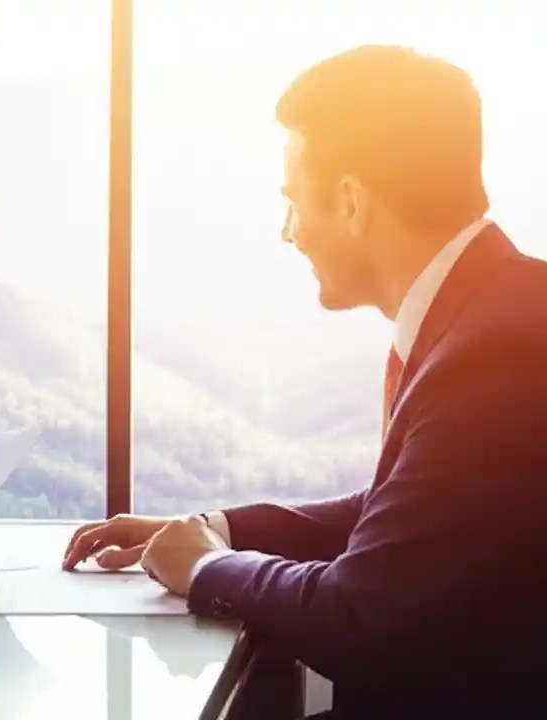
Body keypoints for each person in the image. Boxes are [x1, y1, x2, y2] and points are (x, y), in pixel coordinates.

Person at [63, 46, 547, 717]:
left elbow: (359, 614)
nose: (288, 232)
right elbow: (397, 509)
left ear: (351, 202)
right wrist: (217, 530)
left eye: (294, 203)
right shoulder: (499, 309)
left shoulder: (494, 353)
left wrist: (205, 567)